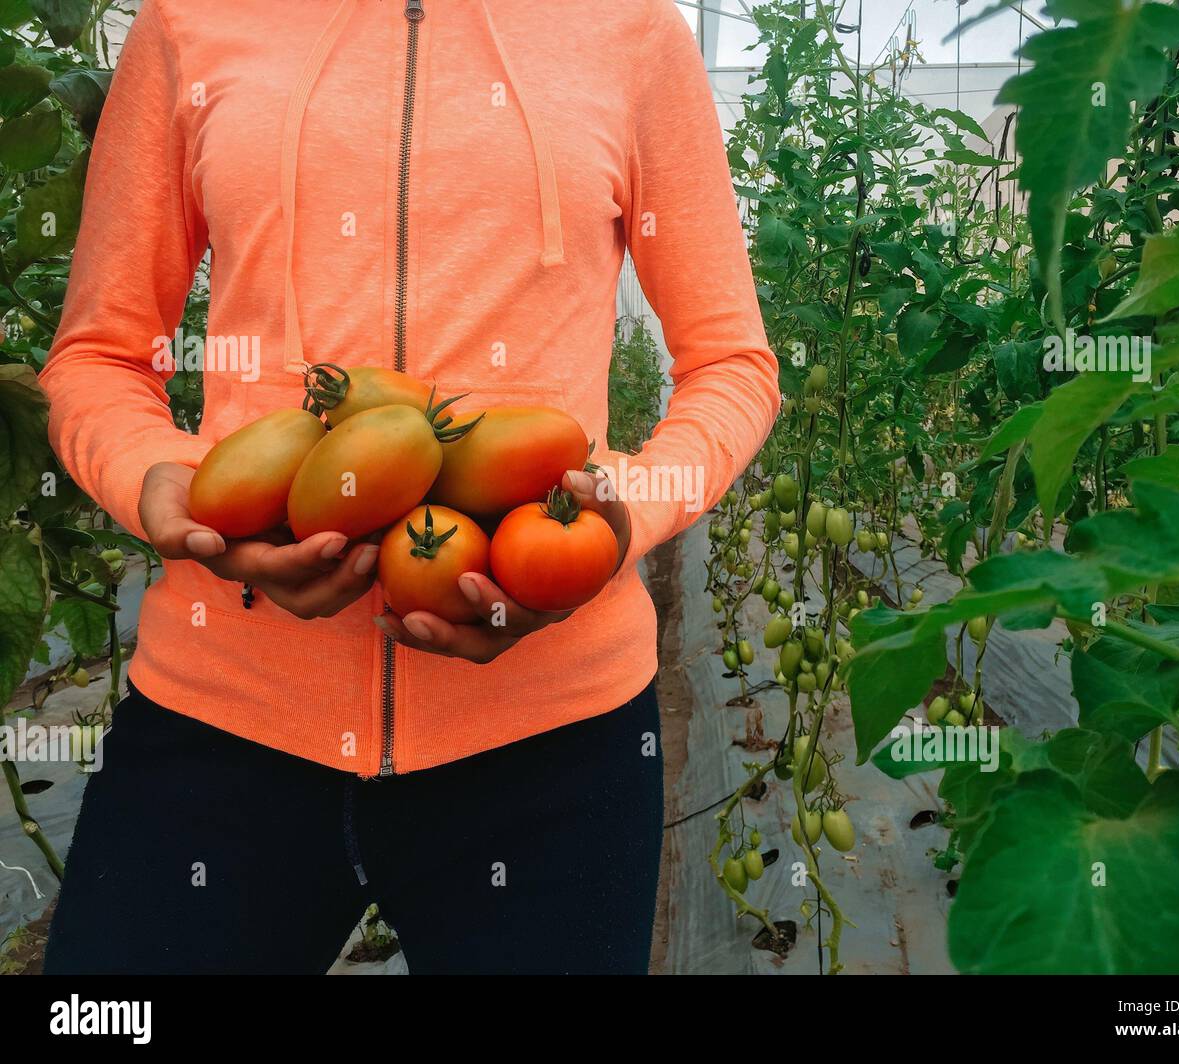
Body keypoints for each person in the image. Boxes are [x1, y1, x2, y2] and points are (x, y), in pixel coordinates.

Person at [38, 0, 777, 974]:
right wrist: (158, 479)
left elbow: (730, 361)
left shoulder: (631, 31)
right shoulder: (191, 21)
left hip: (555, 741)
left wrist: (620, 515)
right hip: (222, 715)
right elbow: (100, 350)